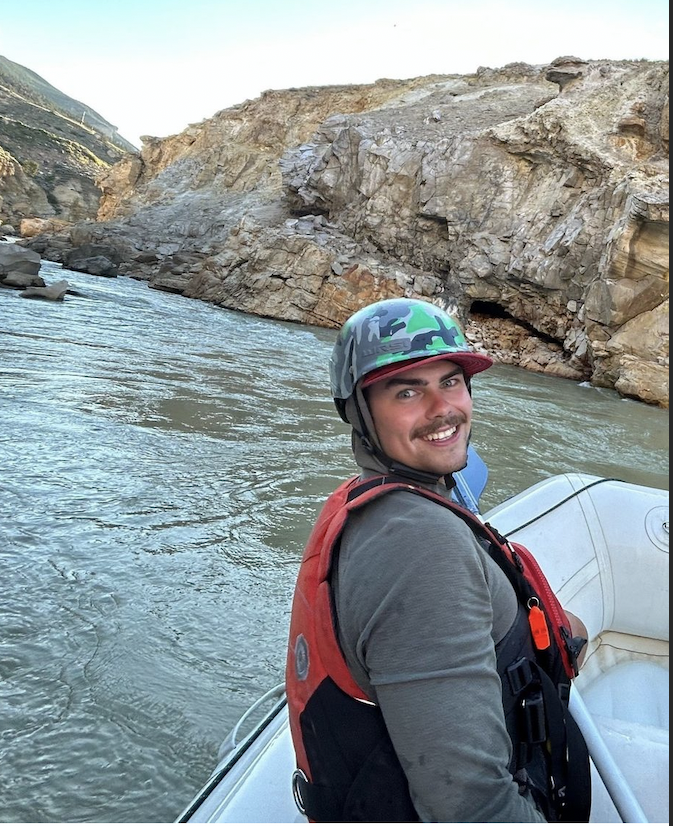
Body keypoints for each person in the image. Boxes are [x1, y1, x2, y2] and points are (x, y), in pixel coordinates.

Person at [285, 297, 590, 823]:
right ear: (360, 412)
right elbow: (472, 806)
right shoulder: (418, 549)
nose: (442, 408)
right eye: (408, 391)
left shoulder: (385, 498)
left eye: (450, 381)